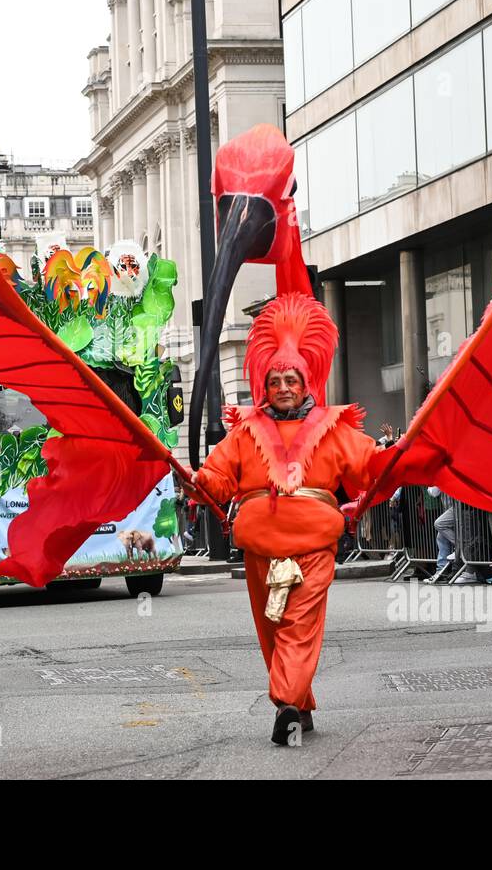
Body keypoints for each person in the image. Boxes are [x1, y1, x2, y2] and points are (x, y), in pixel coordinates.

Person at [185, 292, 374, 745]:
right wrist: (200, 482)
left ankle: (286, 703)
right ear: (264, 387)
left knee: (298, 626)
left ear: (306, 383)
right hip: (259, 550)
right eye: (275, 381)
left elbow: (371, 466)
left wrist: (405, 456)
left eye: (292, 379)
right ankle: (302, 702)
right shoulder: (244, 430)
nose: (284, 387)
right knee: (272, 629)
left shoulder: (334, 426)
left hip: (312, 547)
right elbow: (218, 477)